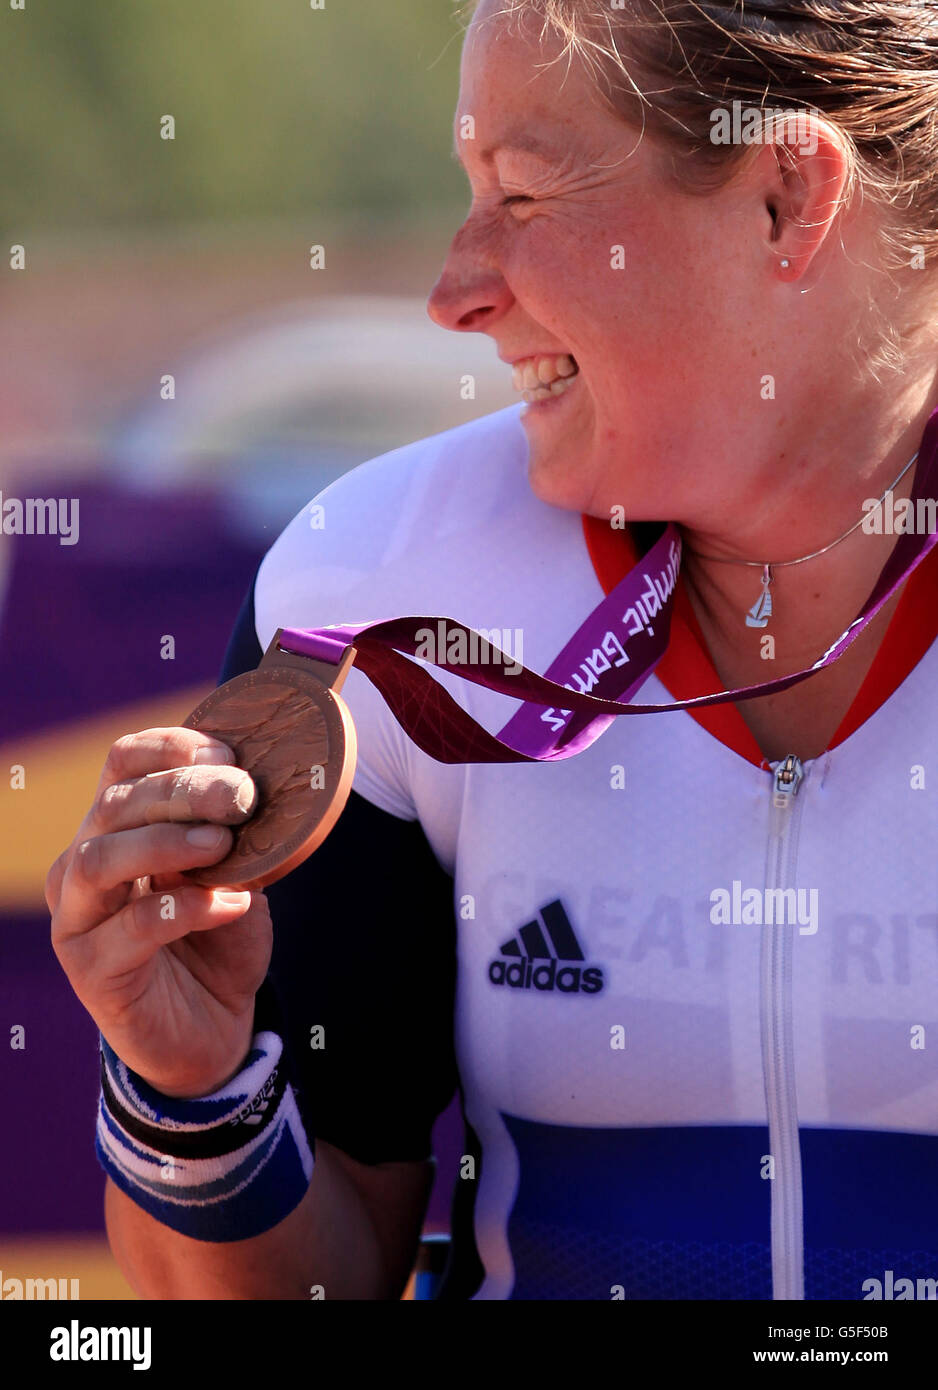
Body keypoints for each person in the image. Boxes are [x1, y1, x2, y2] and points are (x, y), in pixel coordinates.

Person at [47, 0, 938, 1300]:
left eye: (520, 194)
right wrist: (193, 1095)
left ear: (785, 196)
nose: (452, 292)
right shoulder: (370, 576)